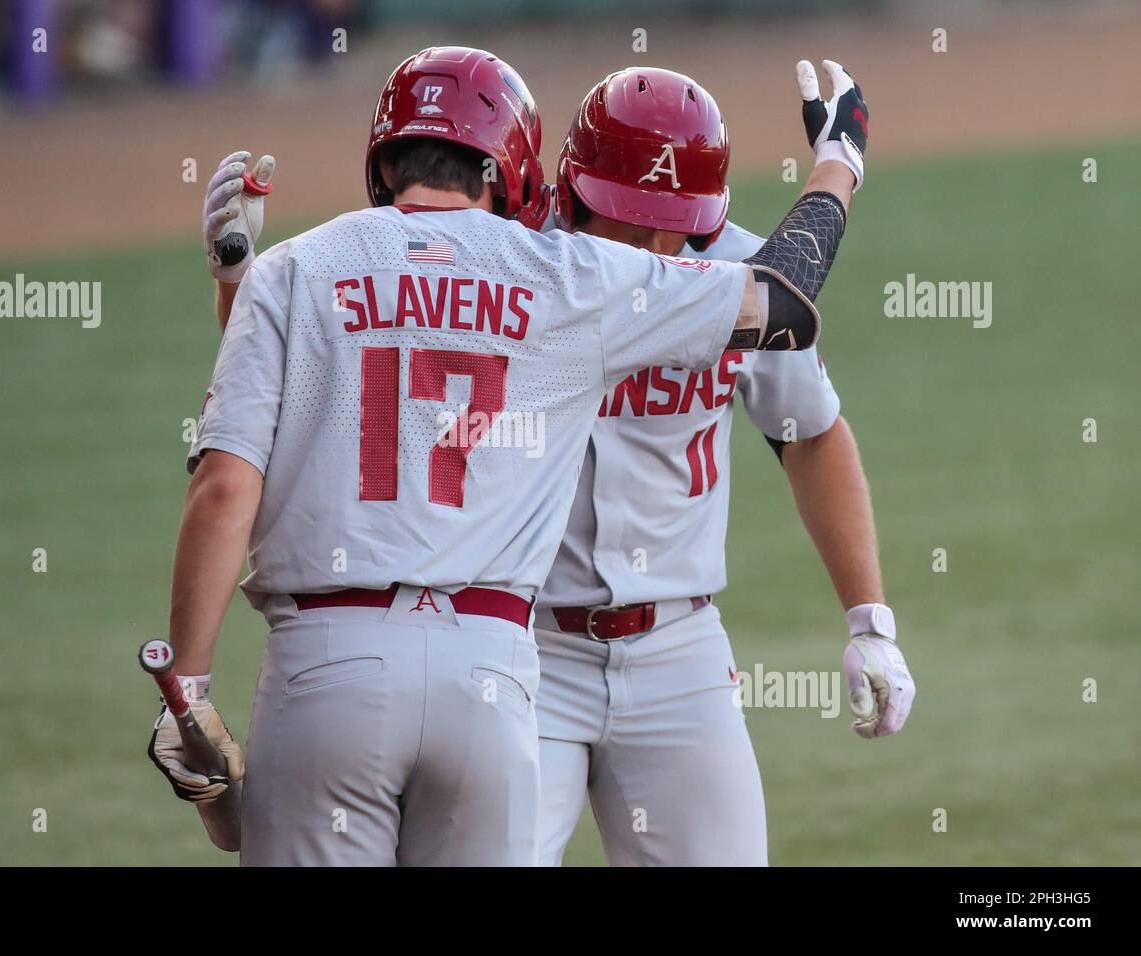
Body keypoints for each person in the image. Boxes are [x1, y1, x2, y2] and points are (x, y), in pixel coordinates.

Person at [154, 46, 866, 865]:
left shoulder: (295, 269)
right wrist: (838, 164)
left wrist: (187, 688)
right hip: (491, 671)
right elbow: (784, 299)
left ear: (383, 161)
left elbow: (232, 477)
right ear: (517, 170)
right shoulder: (564, 275)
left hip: (324, 668)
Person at [534, 66, 915, 867]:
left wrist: (869, 620)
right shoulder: (517, 272)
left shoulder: (738, 272)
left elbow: (810, 434)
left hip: (680, 654)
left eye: (675, 225)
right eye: (630, 222)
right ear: (572, 194)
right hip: (524, 650)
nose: (655, 247)